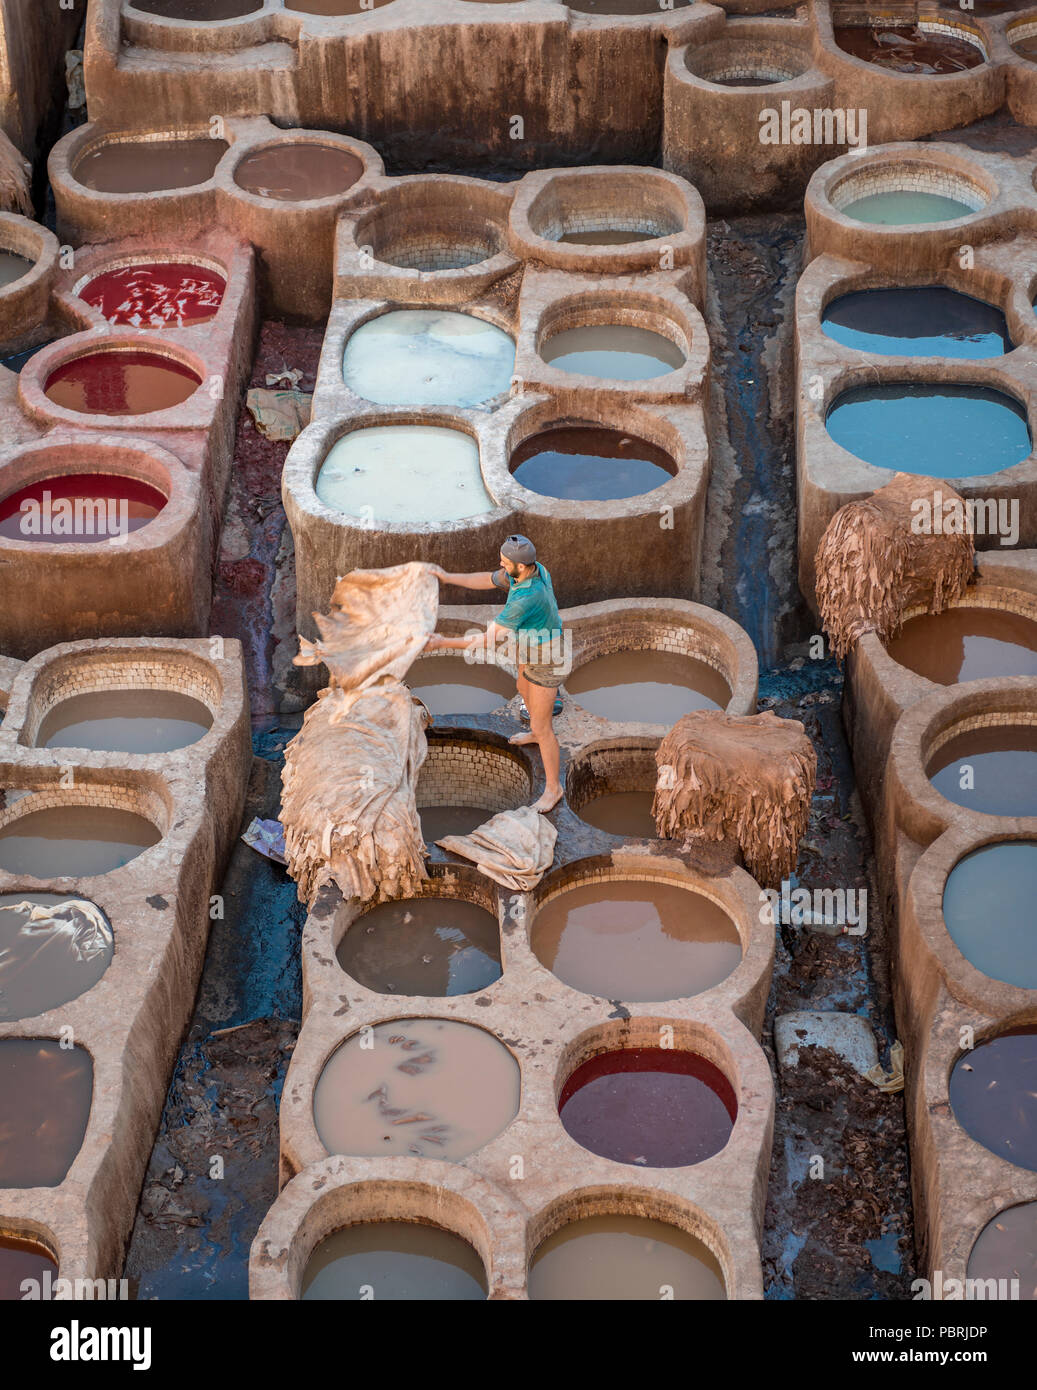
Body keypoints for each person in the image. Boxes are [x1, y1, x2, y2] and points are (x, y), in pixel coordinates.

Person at [422, 534, 566, 814]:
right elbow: (486, 579)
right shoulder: (530, 569)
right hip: (532, 645)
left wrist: (442, 642)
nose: (501, 566)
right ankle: (535, 731)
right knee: (522, 688)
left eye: (505, 562)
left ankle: (553, 788)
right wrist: (449, 577)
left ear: (521, 567)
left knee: (544, 726)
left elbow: (487, 640)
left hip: (547, 657)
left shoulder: (525, 598)